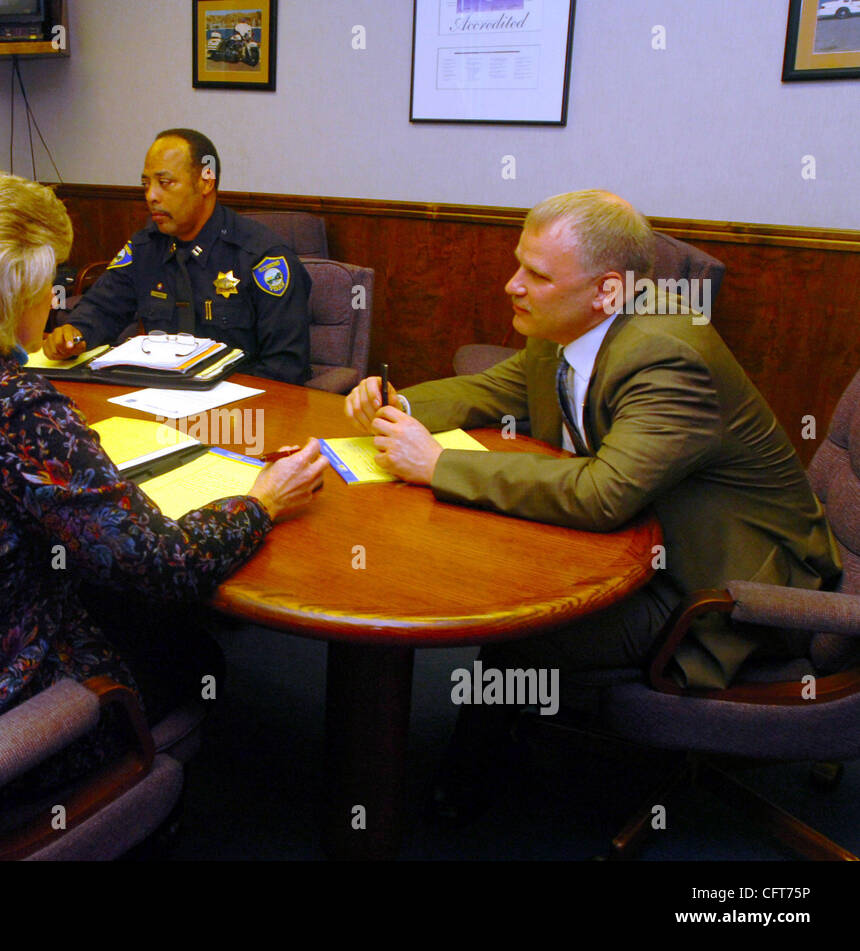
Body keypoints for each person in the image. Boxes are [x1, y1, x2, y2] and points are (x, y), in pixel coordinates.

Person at [0, 165, 327, 782]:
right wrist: (262, 502)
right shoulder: (15, 407)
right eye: (51, 281)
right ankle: (144, 806)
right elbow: (164, 564)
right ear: (13, 288)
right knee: (191, 652)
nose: (55, 297)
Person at [345, 190, 840, 809]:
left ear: (608, 290)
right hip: (653, 536)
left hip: (726, 585)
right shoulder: (573, 322)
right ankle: (490, 758)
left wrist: (439, 464)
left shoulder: (669, 355)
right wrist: (399, 402)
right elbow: (496, 386)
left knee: (518, 629)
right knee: (505, 585)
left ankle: (464, 792)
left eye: (537, 274)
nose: (511, 285)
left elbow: (604, 494)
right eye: (519, 263)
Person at [43, 129, 313, 384]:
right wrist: (75, 334)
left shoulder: (262, 259)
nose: (151, 196)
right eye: (146, 184)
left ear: (206, 181)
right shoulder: (145, 248)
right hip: (156, 399)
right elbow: (103, 309)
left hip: (235, 413)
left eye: (165, 183)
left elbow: (286, 367)